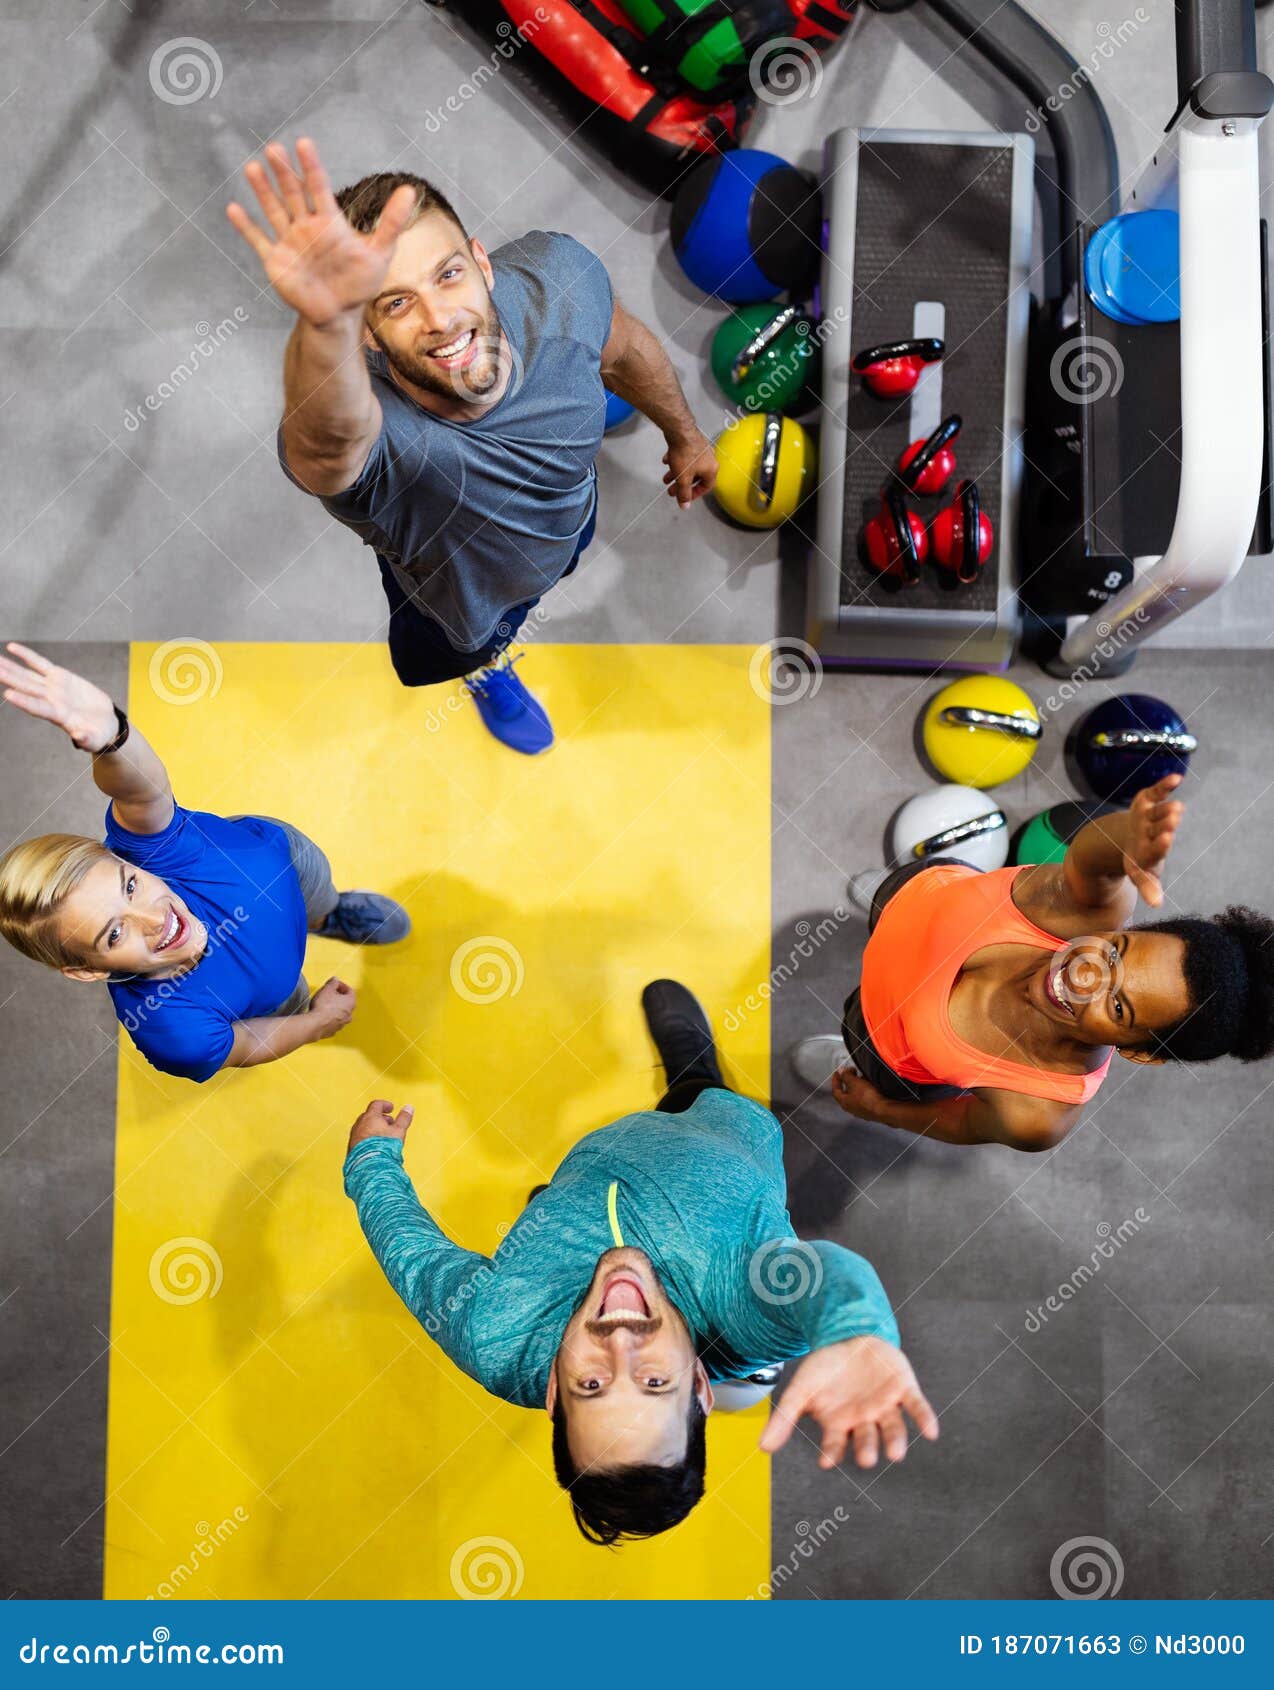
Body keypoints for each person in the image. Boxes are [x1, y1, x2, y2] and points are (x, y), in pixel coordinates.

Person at [344, 979, 937, 1547]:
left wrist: (371, 1161)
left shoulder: (495, 1332)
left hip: (592, 1170)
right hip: (718, 1128)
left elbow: (413, 1254)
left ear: (553, 1391)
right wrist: (858, 1331)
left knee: (550, 1217)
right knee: (696, 1085)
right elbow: (825, 1273)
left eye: (592, 1383)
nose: (620, 1343)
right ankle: (693, 1060)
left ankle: (563, 1207)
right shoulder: (742, 1305)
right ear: (698, 1381)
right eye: (655, 1382)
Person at [227, 138, 719, 755]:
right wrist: (326, 325)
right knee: (472, 638)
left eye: (448, 274)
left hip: (570, 518)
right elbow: (329, 446)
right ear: (368, 337)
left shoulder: (559, 280)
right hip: (457, 606)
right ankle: (487, 669)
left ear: (482, 264)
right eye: (396, 303)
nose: (440, 317)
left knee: (563, 554)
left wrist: (687, 434)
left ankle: (542, 576)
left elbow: (621, 348)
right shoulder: (389, 450)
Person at [789, 775, 1274, 1151]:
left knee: (866, 1043)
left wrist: (880, 1109)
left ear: (1141, 1051)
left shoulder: (1036, 1112)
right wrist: (1126, 833)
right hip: (922, 896)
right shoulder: (1090, 909)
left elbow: (961, 1122)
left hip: (881, 1038)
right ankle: (882, 898)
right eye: (1116, 951)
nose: (1084, 975)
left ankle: (848, 1055)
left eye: (1119, 1008)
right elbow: (1092, 859)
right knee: (895, 899)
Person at [0, 644, 409, 1083]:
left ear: (128, 860)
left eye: (131, 886)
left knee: (318, 891)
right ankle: (303, 986)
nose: (154, 918)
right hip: (273, 996)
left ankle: (328, 916)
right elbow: (247, 1043)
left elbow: (142, 791)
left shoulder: (158, 849)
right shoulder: (170, 1028)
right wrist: (316, 1024)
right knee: (289, 998)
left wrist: (111, 737)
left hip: (288, 862)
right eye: (115, 933)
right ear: (88, 970)